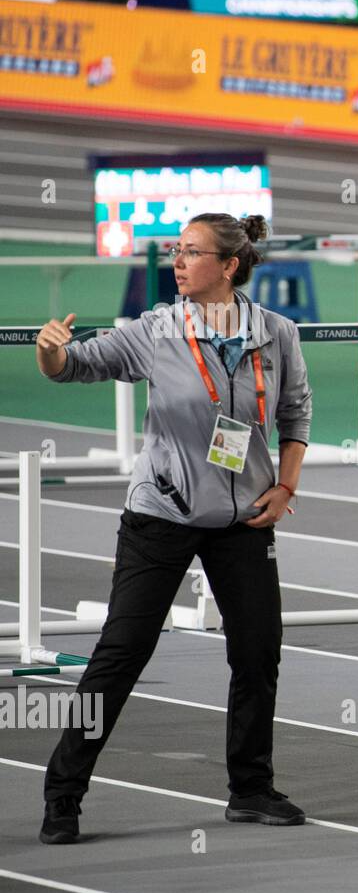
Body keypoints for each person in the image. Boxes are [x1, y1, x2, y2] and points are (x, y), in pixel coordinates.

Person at [33, 213, 313, 844]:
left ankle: (250, 788)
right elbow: (75, 367)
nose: (178, 262)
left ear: (230, 265)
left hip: (242, 519)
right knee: (121, 654)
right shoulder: (156, 330)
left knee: (257, 652)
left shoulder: (277, 334)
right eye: (176, 251)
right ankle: (63, 795)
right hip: (161, 515)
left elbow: (295, 410)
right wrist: (51, 353)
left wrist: (286, 485)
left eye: (191, 252)